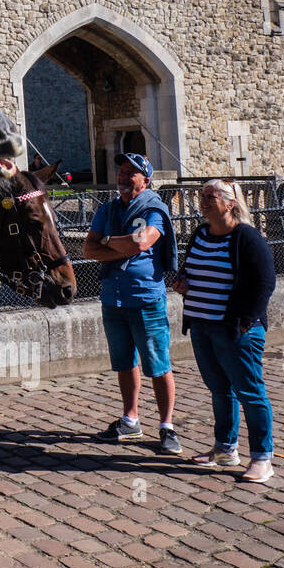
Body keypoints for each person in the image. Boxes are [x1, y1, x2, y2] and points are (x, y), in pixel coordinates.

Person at [175, 180, 277, 482]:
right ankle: (225, 448)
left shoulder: (246, 237)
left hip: (236, 330)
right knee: (220, 390)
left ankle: (262, 457)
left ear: (230, 203)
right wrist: (183, 282)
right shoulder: (200, 234)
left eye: (211, 197)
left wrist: (244, 321)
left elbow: (265, 283)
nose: (204, 201)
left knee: (250, 392)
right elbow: (190, 268)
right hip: (201, 325)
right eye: (202, 196)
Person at [84, 153, 182, 454]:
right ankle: (131, 419)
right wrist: (122, 245)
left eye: (132, 174)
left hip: (145, 297)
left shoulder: (154, 208)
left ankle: (166, 426)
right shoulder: (108, 208)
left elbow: (142, 242)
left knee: (158, 364)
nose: (124, 177)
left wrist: (109, 241)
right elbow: (89, 249)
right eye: (122, 172)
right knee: (125, 362)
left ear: (146, 180)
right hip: (113, 297)